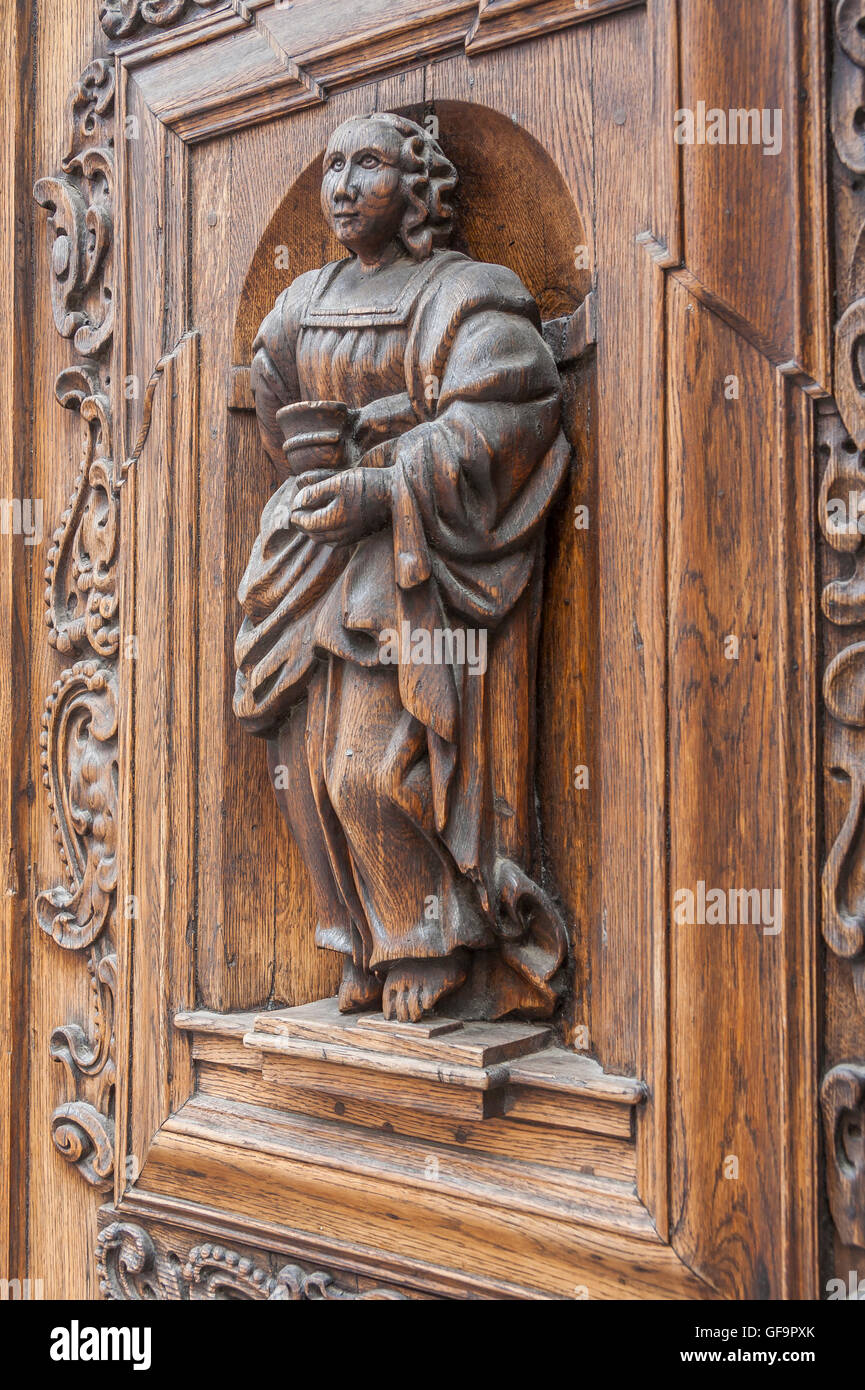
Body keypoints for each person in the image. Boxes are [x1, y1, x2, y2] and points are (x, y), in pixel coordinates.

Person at [235, 112, 569, 1022]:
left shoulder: (465, 292)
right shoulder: (303, 298)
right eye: (333, 165)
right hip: (313, 546)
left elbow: (511, 406)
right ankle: (352, 938)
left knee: (366, 765)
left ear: (416, 189)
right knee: (298, 763)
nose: (342, 185)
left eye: (369, 165)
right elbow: (271, 381)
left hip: (412, 557)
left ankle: (426, 937)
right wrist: (312, 462)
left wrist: (386, 485)